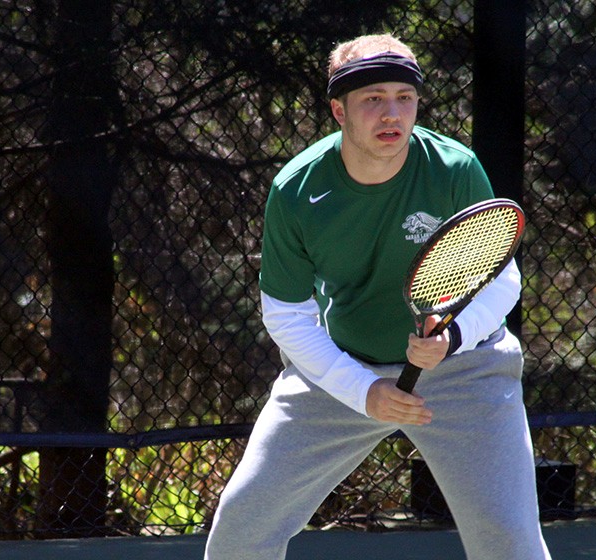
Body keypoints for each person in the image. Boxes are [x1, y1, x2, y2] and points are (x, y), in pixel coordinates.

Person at [204, 34, 551, 560]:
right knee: (242, 526)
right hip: (341, 371)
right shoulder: (296, 190)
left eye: (404, 97)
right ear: (338, 110)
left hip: (465, 370)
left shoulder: (454, 169)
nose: (392, 114)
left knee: (510, 542)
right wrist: (362, 389)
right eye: (373, 99)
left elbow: (501, 280)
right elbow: (286, 315)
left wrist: (453, 337)